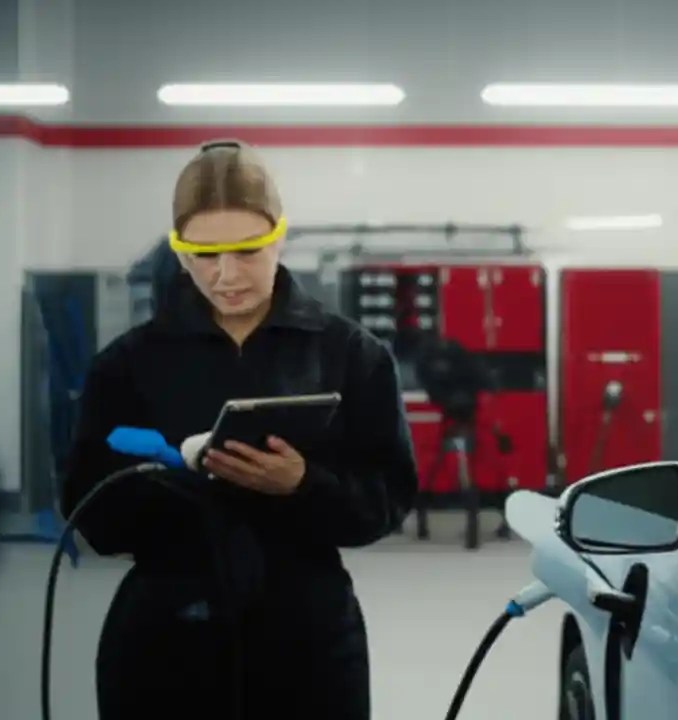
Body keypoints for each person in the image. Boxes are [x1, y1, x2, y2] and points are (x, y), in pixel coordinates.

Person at [61, 139, 419, 719]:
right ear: (179, 254)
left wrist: (304, 485)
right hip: (165, 645)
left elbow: (386, 501)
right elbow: (88, 513)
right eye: (203, 255)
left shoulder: (352, 356)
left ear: (279, 235)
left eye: (248, 250)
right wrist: (176, 474)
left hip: (307, 647)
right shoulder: (127, 365)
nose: (226, 275)